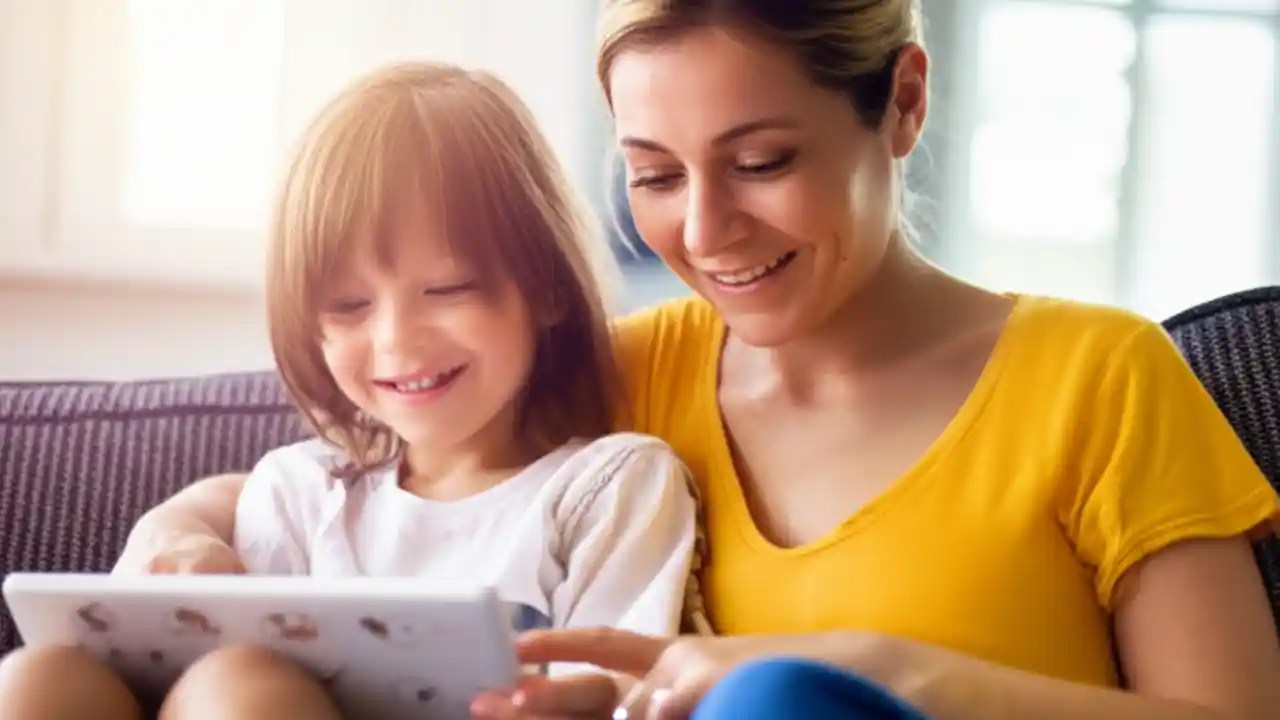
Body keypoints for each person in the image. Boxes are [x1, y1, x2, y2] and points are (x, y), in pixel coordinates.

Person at [86, 0, 1280, 718]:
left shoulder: (1097, 378)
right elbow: (391, 462)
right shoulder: (632, 375)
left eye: (760, 161)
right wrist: (188, 520)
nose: (703, 234)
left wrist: (889, 673)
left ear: (902, 102)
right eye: (654, 175)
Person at [0, 61, 699, 719]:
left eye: (447, 289)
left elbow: (635, 684)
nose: (398, 340)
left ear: (544, 288)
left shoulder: (605, 487)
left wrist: (582, 699)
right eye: (348, 306)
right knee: (40, 675)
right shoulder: (299, 494)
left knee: (237, 683)